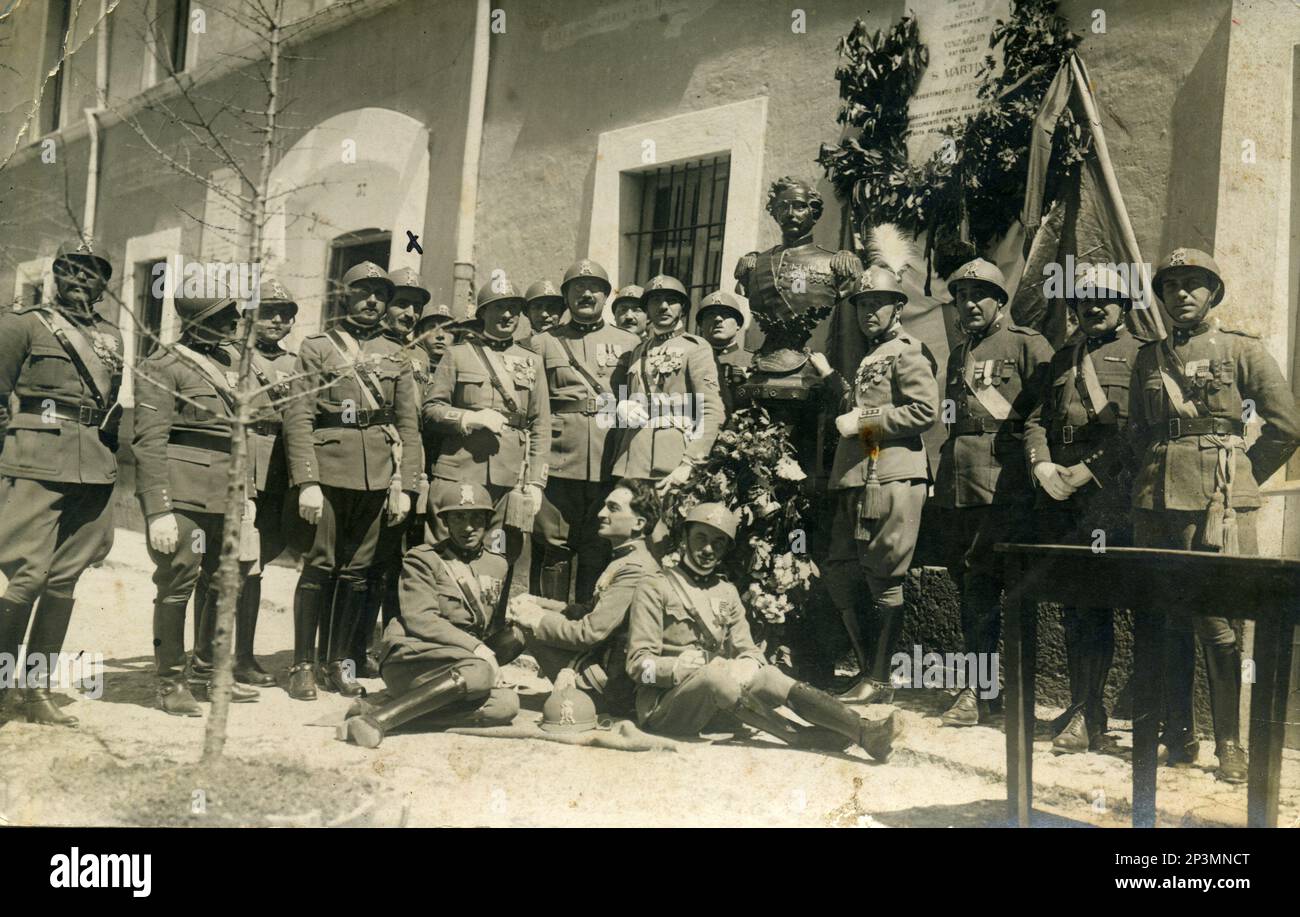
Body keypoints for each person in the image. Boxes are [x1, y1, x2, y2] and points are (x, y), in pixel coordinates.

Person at [1129, 247, 1300, 782]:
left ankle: (1231, 743)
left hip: (1216, 505)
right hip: (1156, 503)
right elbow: (1139, 432)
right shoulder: (1148, 357)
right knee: (1166, 616)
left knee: (1221, 619)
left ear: (1212, 293)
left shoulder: (1240, 350)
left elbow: (1286, 425)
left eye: (1194, 284)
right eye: (1171, 285)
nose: (1181, 294)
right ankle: (1180, 734)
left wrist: (1241, 474)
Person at [625, 503, 897, 759]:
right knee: (714, 677)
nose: (709, 549)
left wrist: (746, 664)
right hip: (666, 708)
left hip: (720, 703)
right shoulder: (655, 587)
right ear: (684, 537)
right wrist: (675, 668)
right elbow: (637, 665)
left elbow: (749, 651)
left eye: (719, 542)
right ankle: (797, 736)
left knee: (769, 675)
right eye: (701, 538)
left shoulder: (726, 592)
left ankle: (864, 731)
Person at [281, 261, 421, 701]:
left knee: (358, 572)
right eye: (363, 292)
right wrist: (306, 481)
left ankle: (338, 663)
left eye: (380, 294)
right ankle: (303, 664)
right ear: (345, 296)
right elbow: (299, 417)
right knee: (320, 564)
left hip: (378, 476)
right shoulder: (318, 347)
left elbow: (408, 424)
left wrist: (407, 487)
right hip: (328, 471)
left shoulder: (396, 353)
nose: (372, 301)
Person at [0, 241, 122, 726]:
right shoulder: (23, 324)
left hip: (93, 463)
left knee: (65, 576)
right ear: (54, 274)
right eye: (70, 270)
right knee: (28, 574)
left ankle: (36, 692)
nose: (79, 280)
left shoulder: (111, 336)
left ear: (102, 284)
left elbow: (112, 403)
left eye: (91, 273)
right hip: (34, 459)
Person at [1023, 265, 1143, 752]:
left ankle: (1099, 716)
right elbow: (1034, 420)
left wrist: (1089, 470)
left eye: (1105, 299)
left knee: (1101, 602)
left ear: (1124, 306)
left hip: (1110, 499)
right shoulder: (1062, 356)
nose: (1093, 307)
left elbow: (1141, 431)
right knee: (1076, 605)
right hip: (1064, 496)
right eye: (1084, 298)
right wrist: (1044, 465)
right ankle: (1081, 707)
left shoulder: (1141, 356)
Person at [932, 258, 1052, 727]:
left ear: (1000, 301)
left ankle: (1010, 691)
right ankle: (981, 691)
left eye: (979, 295)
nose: (969, 304)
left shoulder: (1027, 344)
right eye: (961, 296)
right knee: (969, 588)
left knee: (1004, 586)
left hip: (1004, 483)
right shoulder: (959, 352)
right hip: (958, 483)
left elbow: (1047, 407)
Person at [814, 263, 938, 705]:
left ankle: (880, 679)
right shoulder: (872, 354)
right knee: (841, 571)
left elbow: (925, 412)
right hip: (855, 476)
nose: (868, 311)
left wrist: (863, 420)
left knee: (884, 576)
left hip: (890, 475)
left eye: (877, 303)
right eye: (863, 303)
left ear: (897, 308)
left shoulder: (908, 351)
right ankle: (869, 670)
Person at [134, 294, 260, 714]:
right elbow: (150, 441)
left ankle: (208, 674)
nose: (234, 323)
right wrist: (158, 509)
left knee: (223, 583)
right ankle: (170, 683)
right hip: (183, 492)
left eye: (234, 316)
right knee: (178, 583)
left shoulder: (230, 365)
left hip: (225, 493)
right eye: (223, 317)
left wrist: (247, 494)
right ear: (196, 322)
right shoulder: (164, 364)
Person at [340, 482, 521, 748]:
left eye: (475, 517)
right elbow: (420, 619)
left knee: (506, 706)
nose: (468, 527)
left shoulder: (497, 564)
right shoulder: (423, 559)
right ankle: (375, 724)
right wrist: (478, 650)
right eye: (458, 517)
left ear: (487, 521)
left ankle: (380, 712)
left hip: (459, 665)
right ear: (446, 522)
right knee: (480, 674)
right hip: (414, 658)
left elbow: (482, 626)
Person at [423, 276, 551, 598]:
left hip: (508, 481)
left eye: (513, 309)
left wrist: (535, 483)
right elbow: (431, 409)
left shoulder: (532, 362)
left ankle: (488, 635)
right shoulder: (458, 355)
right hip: (459, 471)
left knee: (499, 556)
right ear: (483, 314)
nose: (507, 316)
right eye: (498, 309)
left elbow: (540, 424)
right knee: (448, 557)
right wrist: (468, 417)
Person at [531, 259, 639, 602]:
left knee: (597, 546)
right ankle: (546, 631)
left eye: (594, 288)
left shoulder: (629, 342)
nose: (586, 294)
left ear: (606, 296)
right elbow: (536, 406)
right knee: (554, 546)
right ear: (566, 297)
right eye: (576, 288)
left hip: (608, 457)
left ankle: (584, 631)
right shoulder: (542, 344)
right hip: (560, 457)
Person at [508, 478, 660, 715]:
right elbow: (589, 612)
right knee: (528, 616)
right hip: (602, 666)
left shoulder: (635, 569)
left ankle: (480, 674)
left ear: (639, 523)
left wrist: (536, 619)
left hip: (611, 687)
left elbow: (589, 633)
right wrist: (537, 602)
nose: (601, 513)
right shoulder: (625, 559)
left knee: (526, 626)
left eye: (613, 508)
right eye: (604, 506)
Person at [353, 266, 434, 676]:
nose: (409, 313)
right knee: (374, 561)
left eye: (416, 307)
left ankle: (393, 643)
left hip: (419, 463)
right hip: (384, 463)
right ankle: (359, 644)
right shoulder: (371, 350)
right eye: (402, 303)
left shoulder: (420, 355)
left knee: (405, 563)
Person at [230, 276, 303, 687]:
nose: (277, 320)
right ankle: (235, 656)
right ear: (249, 317)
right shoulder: (233, 360)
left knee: (262, 556)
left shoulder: (295, 364)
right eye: (268, 313)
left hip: (281, 468)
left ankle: (238, 653)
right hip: (244, 466)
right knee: (245, 563)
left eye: (285, 314)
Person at [609, 275, 724, 495]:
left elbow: (712, 411)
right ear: (647, 310)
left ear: (682, 308)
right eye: (655, 301)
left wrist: (690, 463)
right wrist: (622, 407)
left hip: (673, 463)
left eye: (671, 300)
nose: (663, 306)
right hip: (631, 460)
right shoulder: (638, 351)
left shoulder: (696, 348)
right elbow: (627, 394)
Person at [694, 289, 753, 415]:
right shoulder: (692, 360)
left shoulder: (752, 361)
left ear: (738, 324)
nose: (718, 319)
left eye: (725, 314)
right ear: (701, 325)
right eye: (711, 314)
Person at [524, 279, 566, 350]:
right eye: (537, 307)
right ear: (527, 313)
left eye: (552, 308)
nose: (544, 314)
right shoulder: (520, 348)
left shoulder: (572, 345)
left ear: (561, 312)